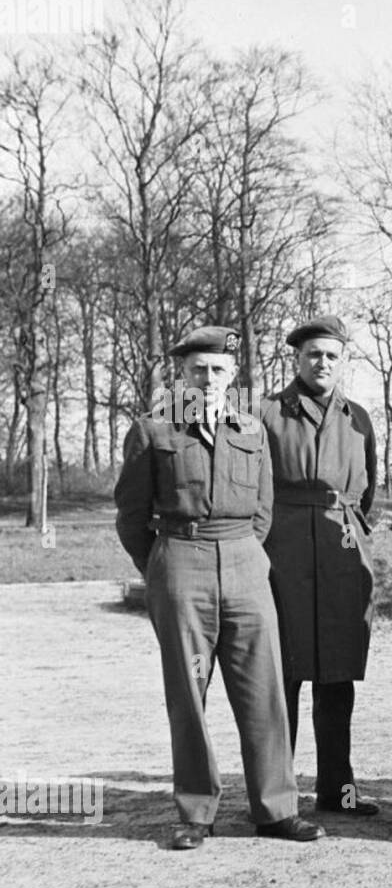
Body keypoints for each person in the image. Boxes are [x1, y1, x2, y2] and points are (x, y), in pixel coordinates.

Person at [114, 325, 323, 849]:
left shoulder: (251, 429)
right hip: (181, 559)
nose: (208, 379)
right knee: (187, 692)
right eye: (198, 369)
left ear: (234, 377)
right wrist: (162, 567)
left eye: (219, 370)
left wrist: (242, 554)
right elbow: (131, 515)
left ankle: (275, 809)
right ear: (180, 374)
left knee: (265, 688)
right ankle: (196, 811)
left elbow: (263, 510)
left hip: (247, 562)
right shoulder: (153, 430)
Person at [261, 315, 380, 817]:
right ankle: (278, 794)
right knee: (281, 675)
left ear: (342, 360)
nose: (323, 363)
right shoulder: (266, 413)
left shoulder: (359, 418)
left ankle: (338, 789)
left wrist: (349, 532)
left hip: (340, 551)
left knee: (337, 677)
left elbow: (368, 492)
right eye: (314, 354)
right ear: (297, 358)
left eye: (332, 355)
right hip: (282, 552)